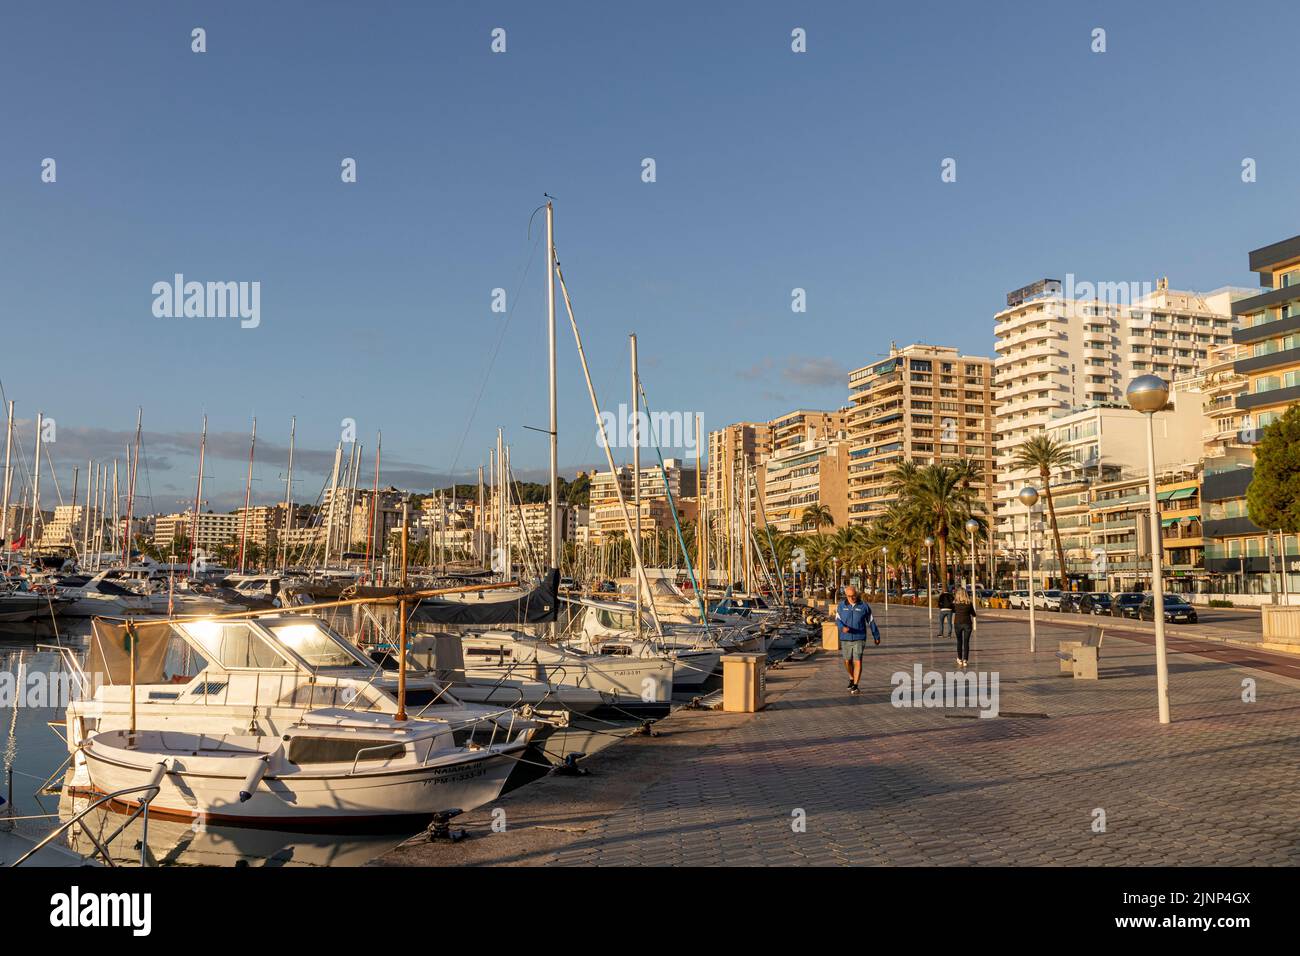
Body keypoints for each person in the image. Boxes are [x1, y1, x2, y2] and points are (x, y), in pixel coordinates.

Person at [836, 585, 880, 694]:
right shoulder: (841, 606)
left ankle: (855, 685)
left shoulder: (864, 606)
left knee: (858, 661)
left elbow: (871, 621)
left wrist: (876, 636)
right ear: (846, 595)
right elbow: (837, 619)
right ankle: (851, 678)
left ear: (857, 594)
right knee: (847, 661)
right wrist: (842, 627)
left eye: (853, 596)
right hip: (845, 638)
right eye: (849, 596)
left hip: (859, 637)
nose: (852, 598)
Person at [953, 589, 976, 668]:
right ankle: (965, 660)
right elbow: (974, 614)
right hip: (967, 624)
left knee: (959, 641)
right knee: (966, 642)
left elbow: (953, 611)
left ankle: (959, 658)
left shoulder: (955, 604)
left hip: (958, 624)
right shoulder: (969, 604)